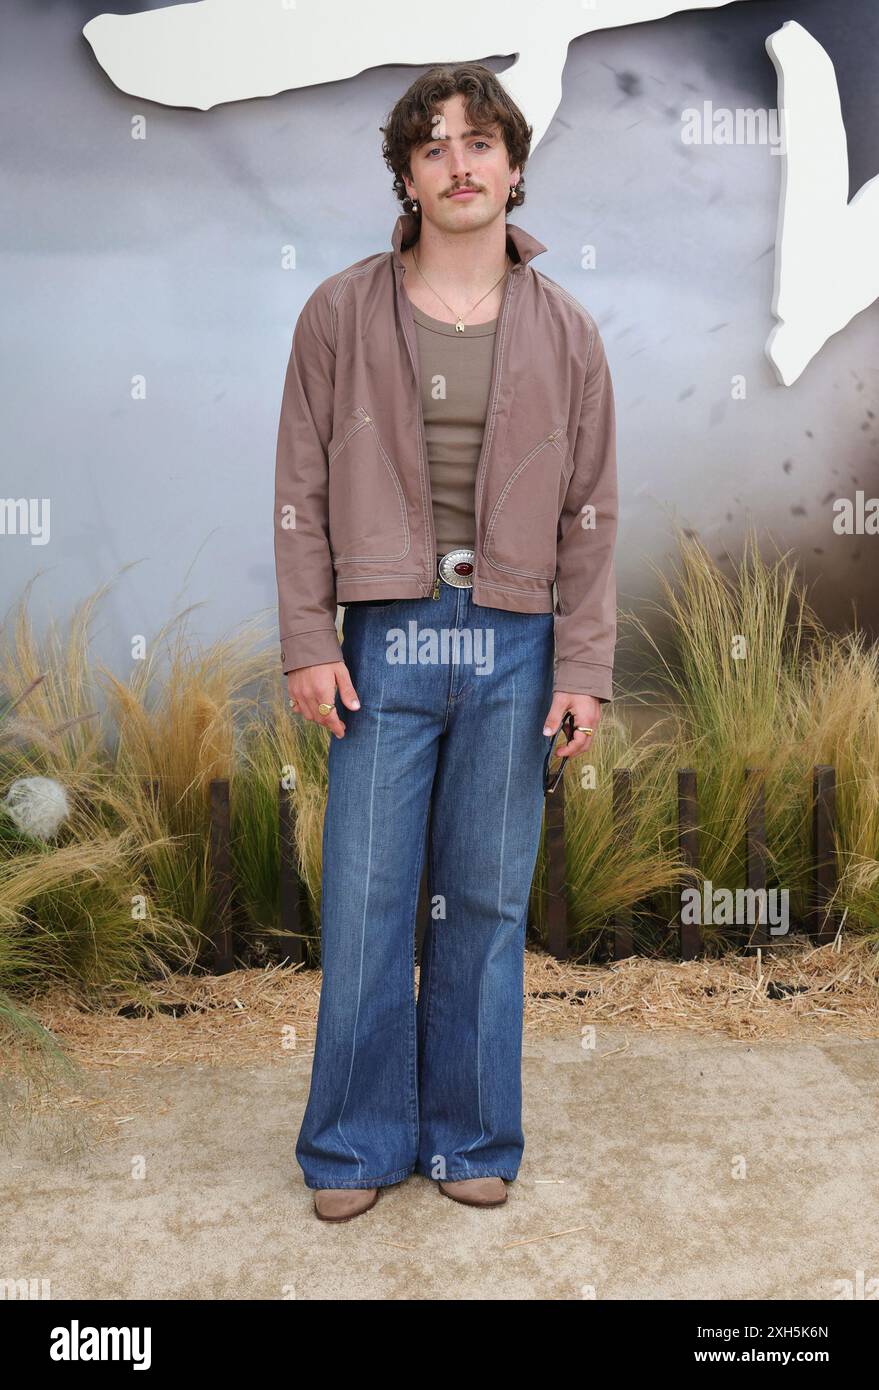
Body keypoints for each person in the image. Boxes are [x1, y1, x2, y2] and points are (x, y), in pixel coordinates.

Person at [273, 63, 618, 1222]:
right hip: (381, 640)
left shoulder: (567, 331)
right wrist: (308, 642)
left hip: (516, 641)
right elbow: (300, 490)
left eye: (481, 143)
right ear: (408, 176)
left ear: (514, 170)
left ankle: (472, 1132)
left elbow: (593, 511)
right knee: (368, 898)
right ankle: (355, 1146)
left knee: (483, 897)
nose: (460, 162)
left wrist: (584, 668)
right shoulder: (339, 312)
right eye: (434, 145)